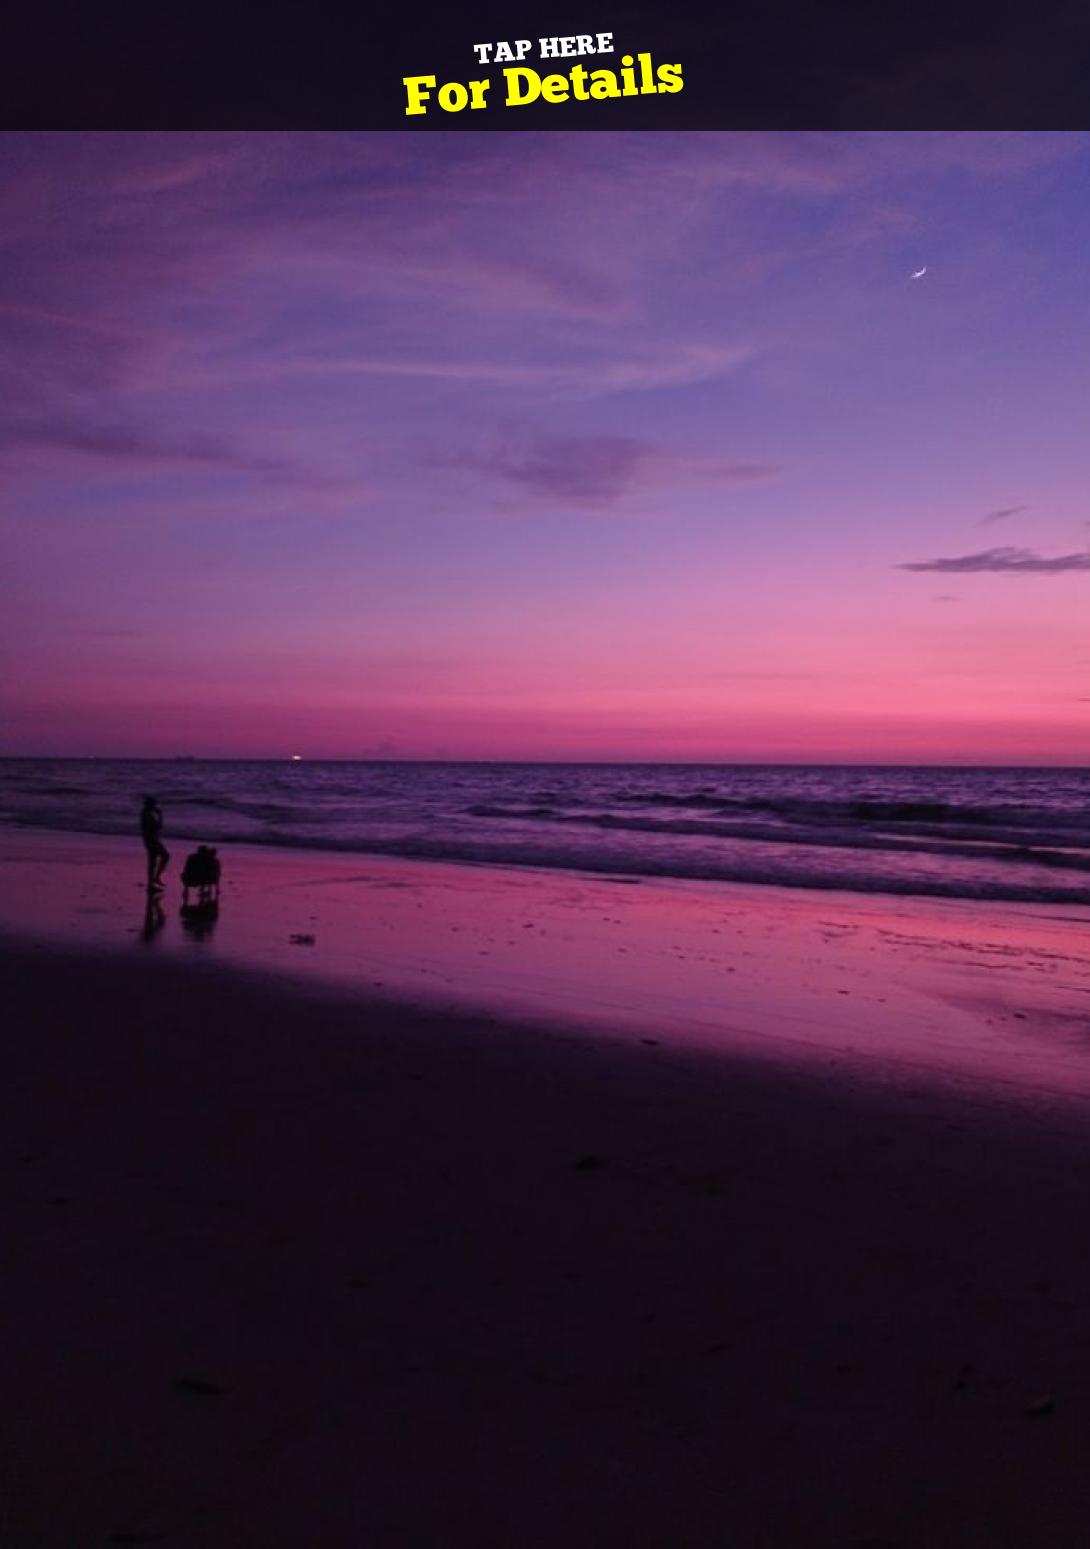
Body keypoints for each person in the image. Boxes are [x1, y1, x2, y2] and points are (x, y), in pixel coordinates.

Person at [140, 795, 169, 889]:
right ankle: (155, 879)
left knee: (153, 862)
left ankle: (152, 882)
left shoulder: (145, 813)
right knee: (164, 856)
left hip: (150, 840)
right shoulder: (147, 814)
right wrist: (160, 815)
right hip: (153, 841)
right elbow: (158, 826)